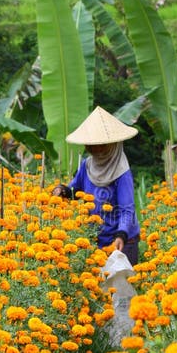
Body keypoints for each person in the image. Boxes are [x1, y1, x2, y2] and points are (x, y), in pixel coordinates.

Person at [52, 106, 141, 265]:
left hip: (122, 242)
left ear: (113, 144)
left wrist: (121, 235)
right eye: (91, 144)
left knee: (121, 288)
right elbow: (74, 191)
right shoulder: (87, 166)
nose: (95, 149)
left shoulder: (121, 172)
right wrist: (61, 190)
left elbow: (127, 209)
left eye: (101, 144)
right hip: (95, 239)